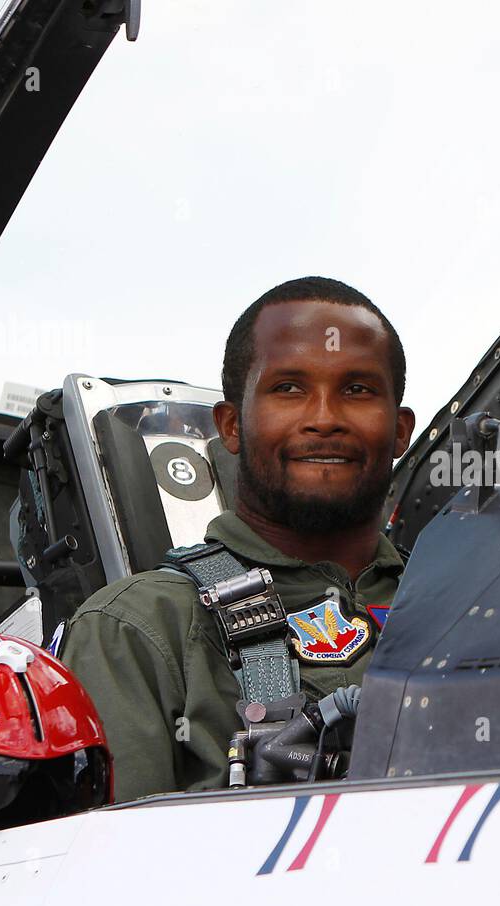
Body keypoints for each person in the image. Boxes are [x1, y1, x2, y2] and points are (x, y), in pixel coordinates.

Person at [61, 277, 415, 801]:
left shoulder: (470, 606)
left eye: (357, 390)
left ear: (402, 431)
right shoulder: (137, 629)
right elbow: (105, 870)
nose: (324, 419)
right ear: (230, 425)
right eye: (289, 389)